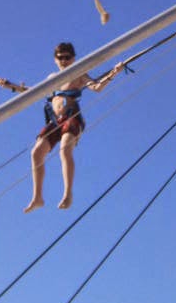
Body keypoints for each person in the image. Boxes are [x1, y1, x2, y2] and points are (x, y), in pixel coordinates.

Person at [24, 42, 125, 212]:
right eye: (60, 58)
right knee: (36, 152)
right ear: (55, 59)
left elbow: (97, 87)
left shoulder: (79, 74)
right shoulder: (52, 79)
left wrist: (114, 72)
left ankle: (67, 193)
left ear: (73, 58)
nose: (64, 61)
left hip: (72, 117)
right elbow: (35, 93)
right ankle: (38, 197)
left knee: (65, 150)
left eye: (67, 57)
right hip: (54, 121)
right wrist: (11, 87)